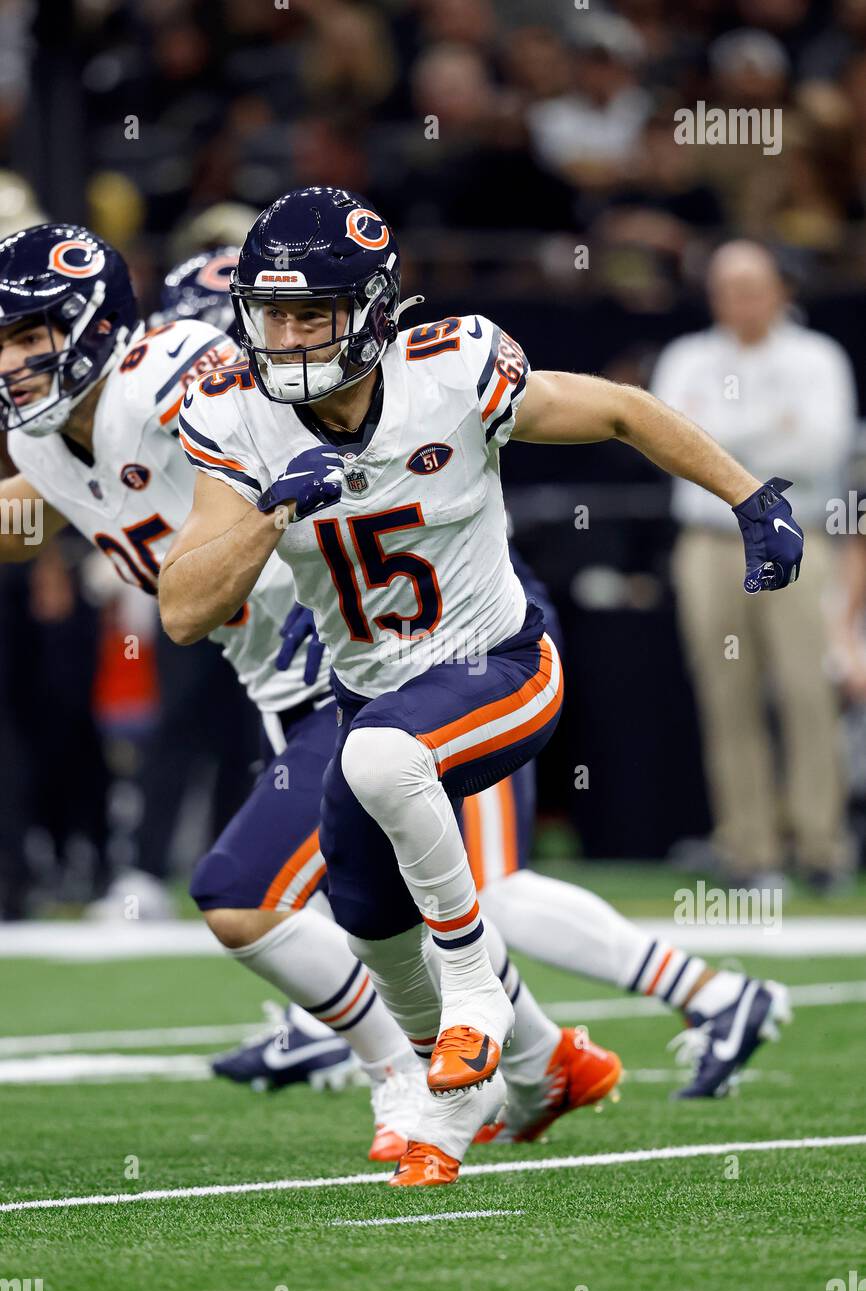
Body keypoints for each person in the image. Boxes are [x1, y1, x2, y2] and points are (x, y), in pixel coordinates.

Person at [160, 187, 802, 1186]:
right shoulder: (232, 411)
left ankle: (478, 996)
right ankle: (491, 1092)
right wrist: (265, 516)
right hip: (367, 692)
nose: (283, 340)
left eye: (310, 315)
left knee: (384, 763)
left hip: (500, 665)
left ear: (371, 310)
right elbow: (183, 609)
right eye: (270, 314)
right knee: (369, 919)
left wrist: (748, 496)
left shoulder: (451, 370)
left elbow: (623, 411)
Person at [0, 221, 435, 1155]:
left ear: (97, 324)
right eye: (2, 341)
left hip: (353, 661)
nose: (13, 361)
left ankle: (407, 1071)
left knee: (258, 897)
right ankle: (540, 1065)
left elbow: (270, 396)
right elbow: (30, 521)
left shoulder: (167, 372)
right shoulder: (44, 443)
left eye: (31, 336)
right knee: (389, 916)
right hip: (280, 683)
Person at [652, 239, 855, 891]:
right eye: (725, 288)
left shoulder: (818, 357)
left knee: (807, 690)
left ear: (781, 289)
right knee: (725, 696)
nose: (737, 301)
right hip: (709, 541)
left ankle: (822, 847)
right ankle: (750, 849)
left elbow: (822, 448)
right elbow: (666, 444)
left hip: (792, 534)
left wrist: (716, 435)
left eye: (750, 287)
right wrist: (773, 428)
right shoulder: (687, 357)